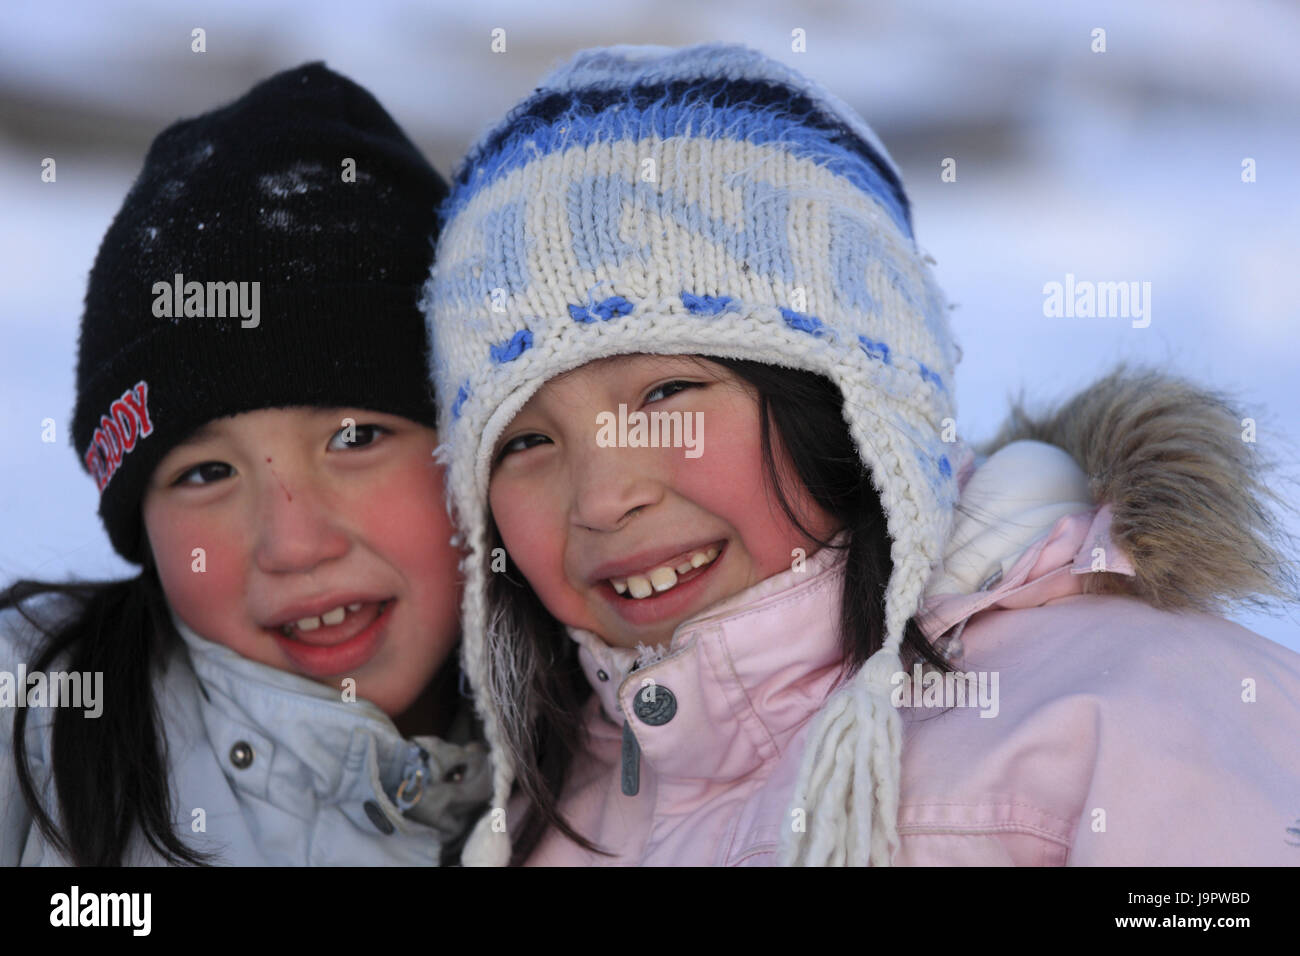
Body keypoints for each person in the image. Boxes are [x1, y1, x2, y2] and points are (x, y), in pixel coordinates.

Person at [421, 42, 1300, 866]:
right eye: (525, 440)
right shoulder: (553, 801)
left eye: (666, 395)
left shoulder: (1144, 720)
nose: (603, 496)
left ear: (853, 404)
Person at [0, 62, 490, 866]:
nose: (294, 544)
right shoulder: (40, 721)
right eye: (205, 474)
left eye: (356, 437)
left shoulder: (630, 759)